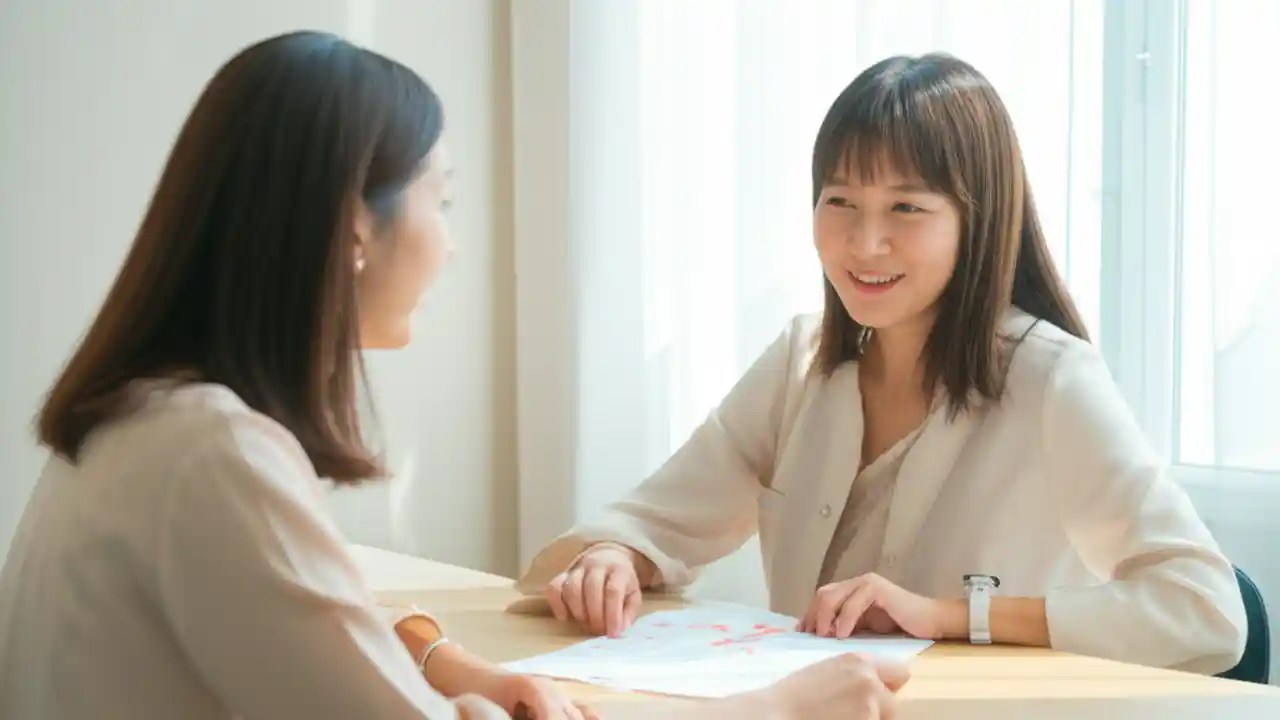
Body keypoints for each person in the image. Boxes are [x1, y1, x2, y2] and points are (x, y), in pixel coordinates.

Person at [0, 31, 906, 720]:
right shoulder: (215, 453)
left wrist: (453, 674)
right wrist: (776, 708)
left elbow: (303, 623)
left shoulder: (149, 419)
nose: (449, 240)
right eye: (441, 198)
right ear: (356, 228)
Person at [519, 53, 1249, 676]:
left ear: (978, 218)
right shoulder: (801, 363)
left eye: (906, 208)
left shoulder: (1051, 377)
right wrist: (616, 556)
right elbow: (661, 518)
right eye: (840, 201)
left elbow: (1205, 611)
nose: (865, 243)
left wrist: (948, 616)